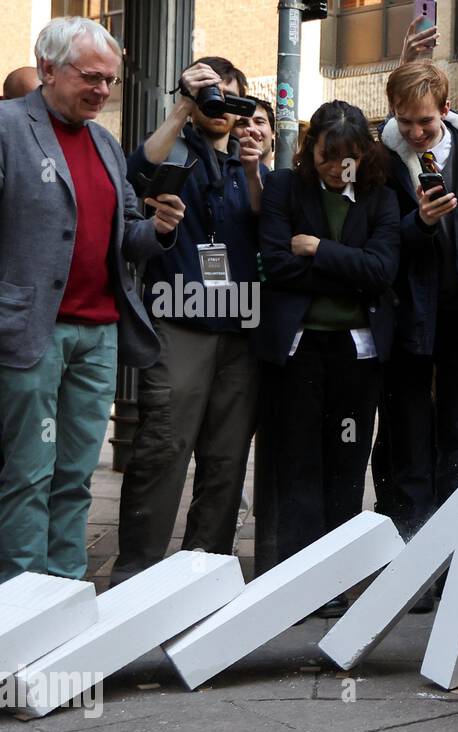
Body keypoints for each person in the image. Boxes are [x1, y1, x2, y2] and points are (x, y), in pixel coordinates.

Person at [0, 16, 184, 584]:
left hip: (98, 333)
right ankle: (21, 604)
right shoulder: (7, 128)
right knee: (28, 472)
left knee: (76, 473)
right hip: (32, 331)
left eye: (110, 81)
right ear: (49, 68)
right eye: (92, 78)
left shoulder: (106, 143)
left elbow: (126, 231)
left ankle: (64, 593)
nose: (103, 91)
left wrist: (157, 229)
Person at [111, 57, 267, 586]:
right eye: (212, 96)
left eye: (230, 97)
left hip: (241, 330)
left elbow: (270, 224)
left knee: (225, 462)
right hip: (179, 321)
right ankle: (135, 577)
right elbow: (134, 171)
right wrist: (183, 102)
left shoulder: (254, 164)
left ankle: (204, 579)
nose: (220, 107)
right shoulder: (175, 148)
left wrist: (252, 167)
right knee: (163, 449)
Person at [370, 61, 458, 616]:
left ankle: (451, 560)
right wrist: (420, 223)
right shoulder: (381, 159)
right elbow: (379, 243)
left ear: (446, 112)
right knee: (408, 446)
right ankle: (412, 562)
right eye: (405, 122)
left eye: (425, 123)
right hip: (408, 326)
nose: (414, 133)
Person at [256, 101, 400, 616]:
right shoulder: (283, 189)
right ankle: (299, 579)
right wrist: (350, 270)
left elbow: (383, 270)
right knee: (297, 465)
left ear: (365, 154)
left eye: (349, 159)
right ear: (308, 148)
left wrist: (317, 249)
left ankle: (337, 579)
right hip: (298, 351)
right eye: (326, 156)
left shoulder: (381, 198)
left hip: (355, 354)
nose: (338, 169)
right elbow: (275, 266)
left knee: (346, 466)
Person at [233, 96, 275, 164]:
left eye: (259, 122)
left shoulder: (288, 174)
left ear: (273, 132)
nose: (252, 129)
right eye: (242, 123)